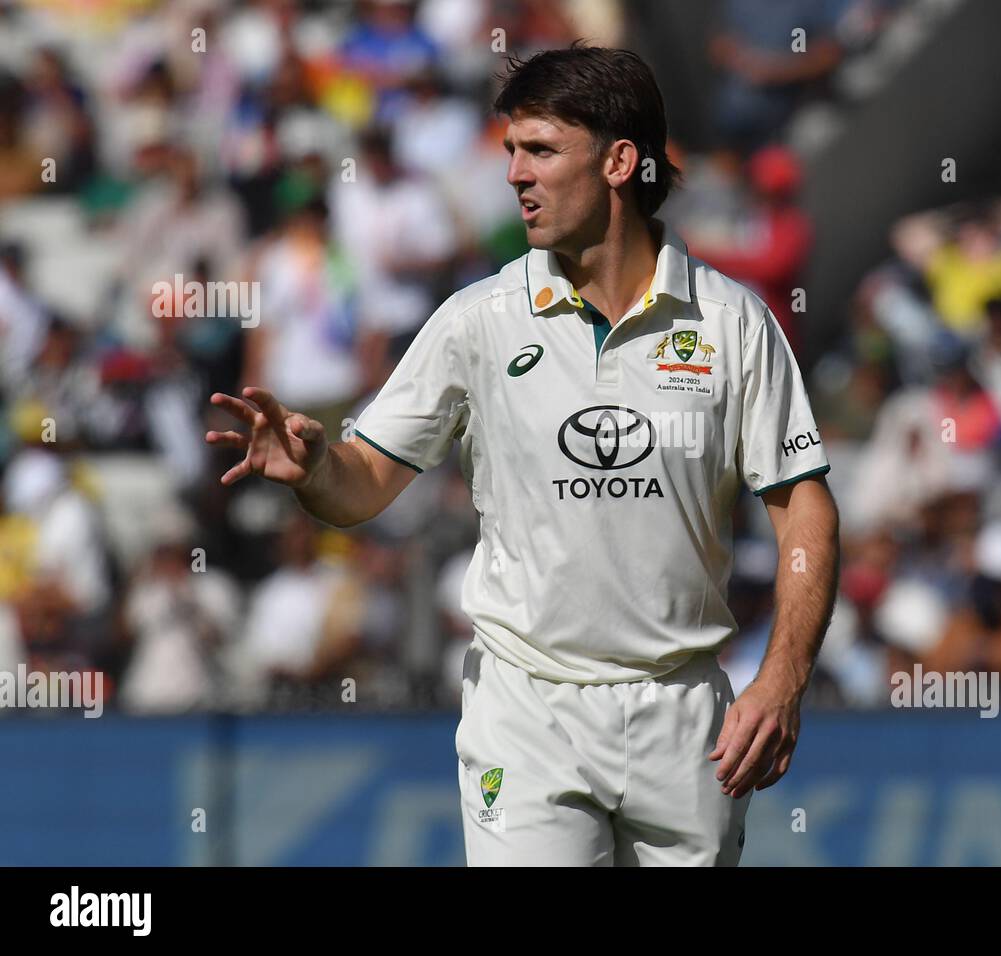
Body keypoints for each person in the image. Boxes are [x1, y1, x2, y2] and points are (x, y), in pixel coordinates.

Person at [206, 44, 839, 867]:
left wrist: (782, 679)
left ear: (618, 161)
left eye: (539, 149)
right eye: (510, 150)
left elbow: (806, 513)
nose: (514, 174)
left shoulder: (733, 324)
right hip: (525, 707)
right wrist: (316, 469)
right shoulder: (480, 318)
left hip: (684, 712)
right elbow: (363, 485)